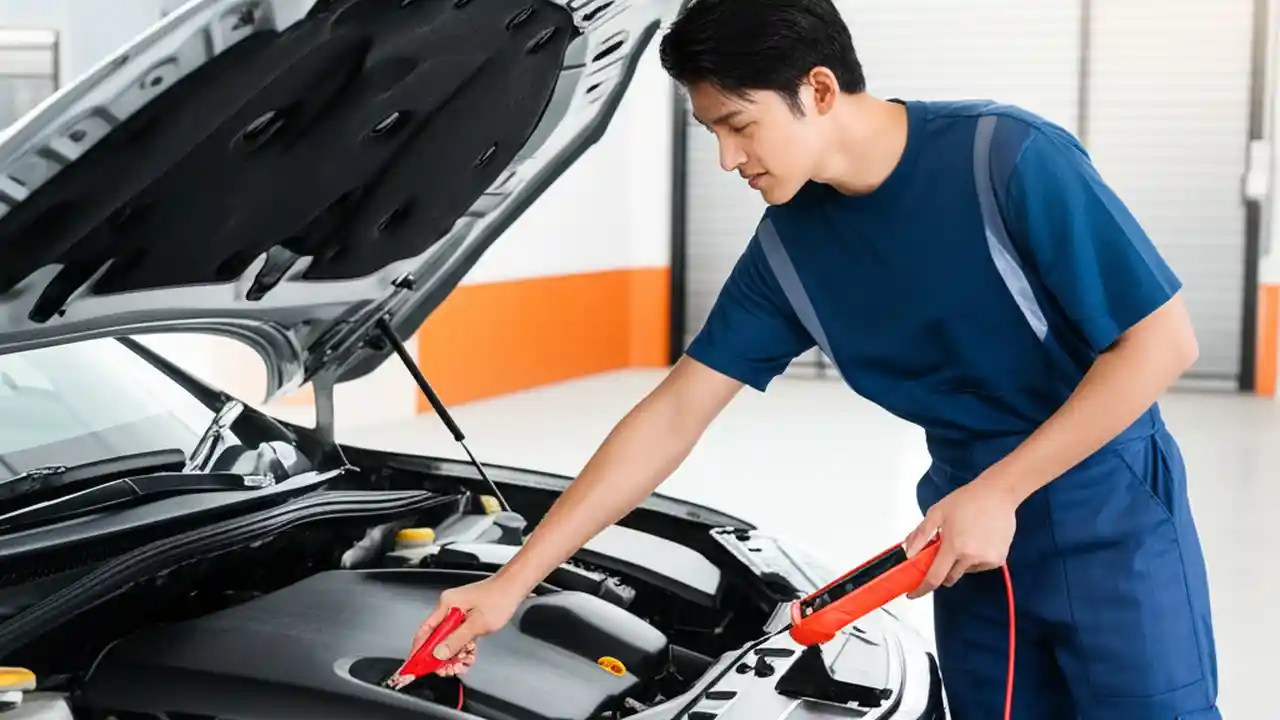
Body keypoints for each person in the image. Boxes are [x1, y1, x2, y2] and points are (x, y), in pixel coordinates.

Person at [410, 0, 1220, 717]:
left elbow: (1160, 343)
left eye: (739, 125)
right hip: (958, 535)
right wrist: (511, 582)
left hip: (1107, 510)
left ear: (820, 90)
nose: (727, 158)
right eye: (711, 133)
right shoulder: (787, 252)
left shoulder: (1005, 157)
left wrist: (1002, 491)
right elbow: (672, 414)